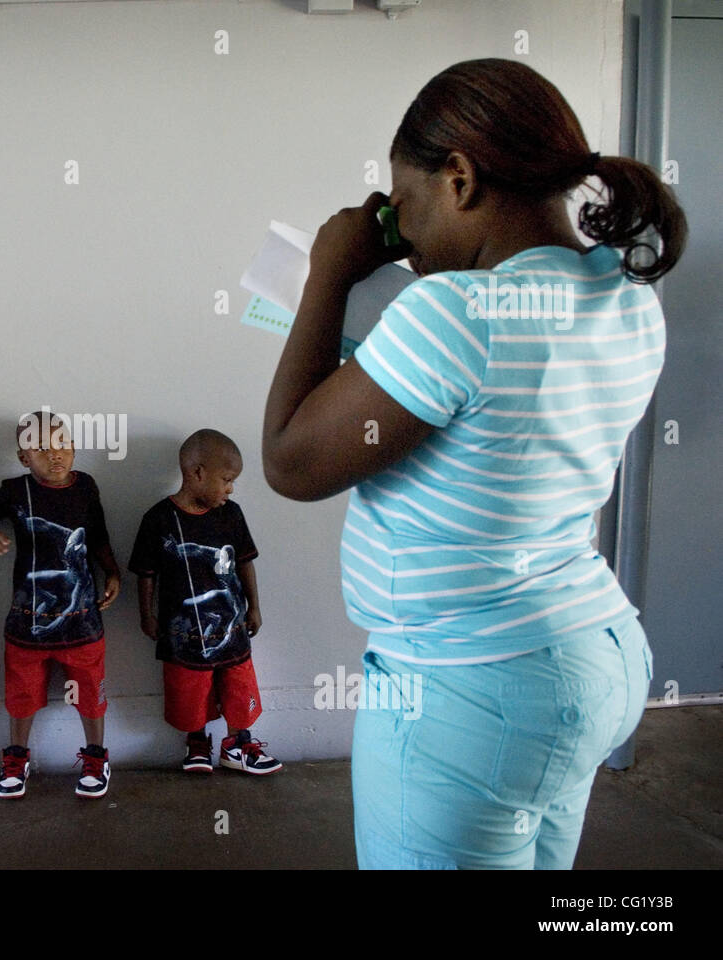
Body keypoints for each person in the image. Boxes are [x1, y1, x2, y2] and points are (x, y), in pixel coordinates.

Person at [260, 58, 686, 869]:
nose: (407, 238)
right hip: (591, 655)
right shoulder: (627, 295)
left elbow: (289, 460)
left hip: (468, 688)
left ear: (459, 178)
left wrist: (330, 272)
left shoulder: (456, 311)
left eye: (407, 204)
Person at [0, 411, 121, 798]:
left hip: (82, 619)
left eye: (61, 444)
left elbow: (99, 537)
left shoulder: (86, 487)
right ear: (24, 458)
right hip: (29, 619)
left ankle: (95, 757)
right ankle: (17, 757)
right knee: (22, 693)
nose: (54, 454)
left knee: (90, 690)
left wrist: (113, 573)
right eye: (40, 448)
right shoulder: (15, 490)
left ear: (73, 447)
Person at [128, 429, 281, 775]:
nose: (230, 489)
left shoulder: (231, 515)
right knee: (190, 690)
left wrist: (254, 607)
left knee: (238, 686)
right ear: (197, 473)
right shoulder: (159, 520)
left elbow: (245, 562)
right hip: (183, 634)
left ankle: (238, 743)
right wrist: (146, 615)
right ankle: (197, 743)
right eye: (226, 480)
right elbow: (146, 572)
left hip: (231, 628)